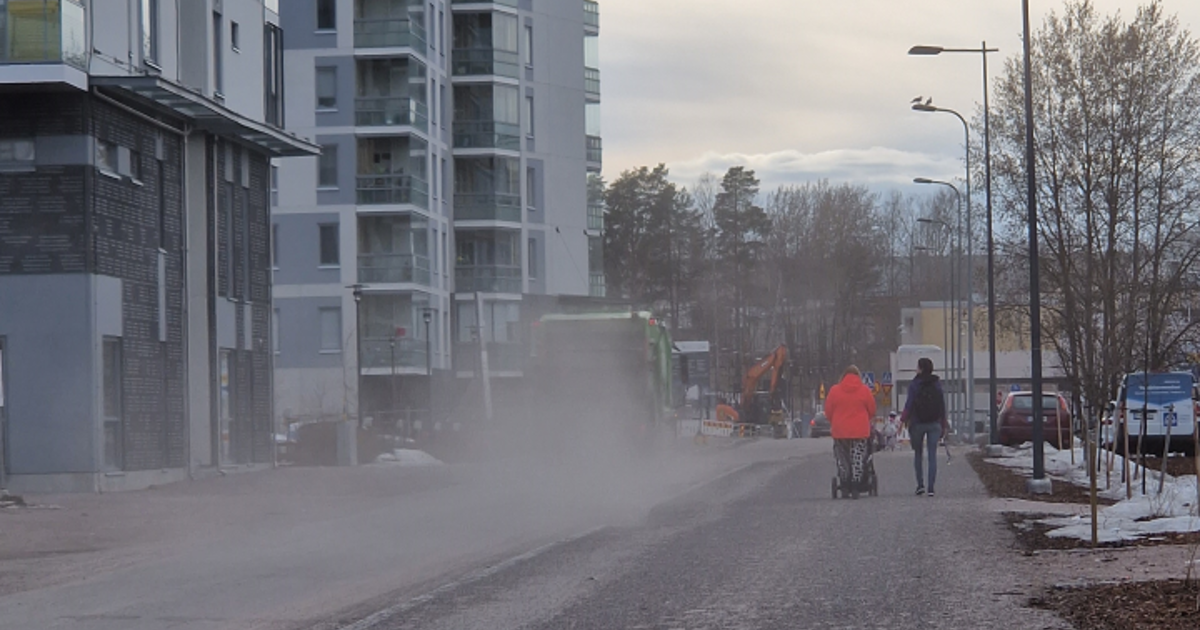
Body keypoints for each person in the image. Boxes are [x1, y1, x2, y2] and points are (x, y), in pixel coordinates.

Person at [824, 365, 876, 496]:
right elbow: (872, 410)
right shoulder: (864, 390)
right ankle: (856, 484)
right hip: (860, 430)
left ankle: (845, 482)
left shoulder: (834, 390)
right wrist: (865, 419)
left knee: (842, 458)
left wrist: (834, 421)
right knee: (857, 457)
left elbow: (828, 411)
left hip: (840, 431)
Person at [900, 357, 948, 497]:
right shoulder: (937, 384)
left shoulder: (915, 384)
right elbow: (942, 405)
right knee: (932, 455)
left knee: (918, 454)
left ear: (920, 369)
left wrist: (902, 420)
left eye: (917, 366)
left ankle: (920, 485)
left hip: (917, 423)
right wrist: (943, 423)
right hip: (934, 423)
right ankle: (931, 488)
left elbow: (909, 404)